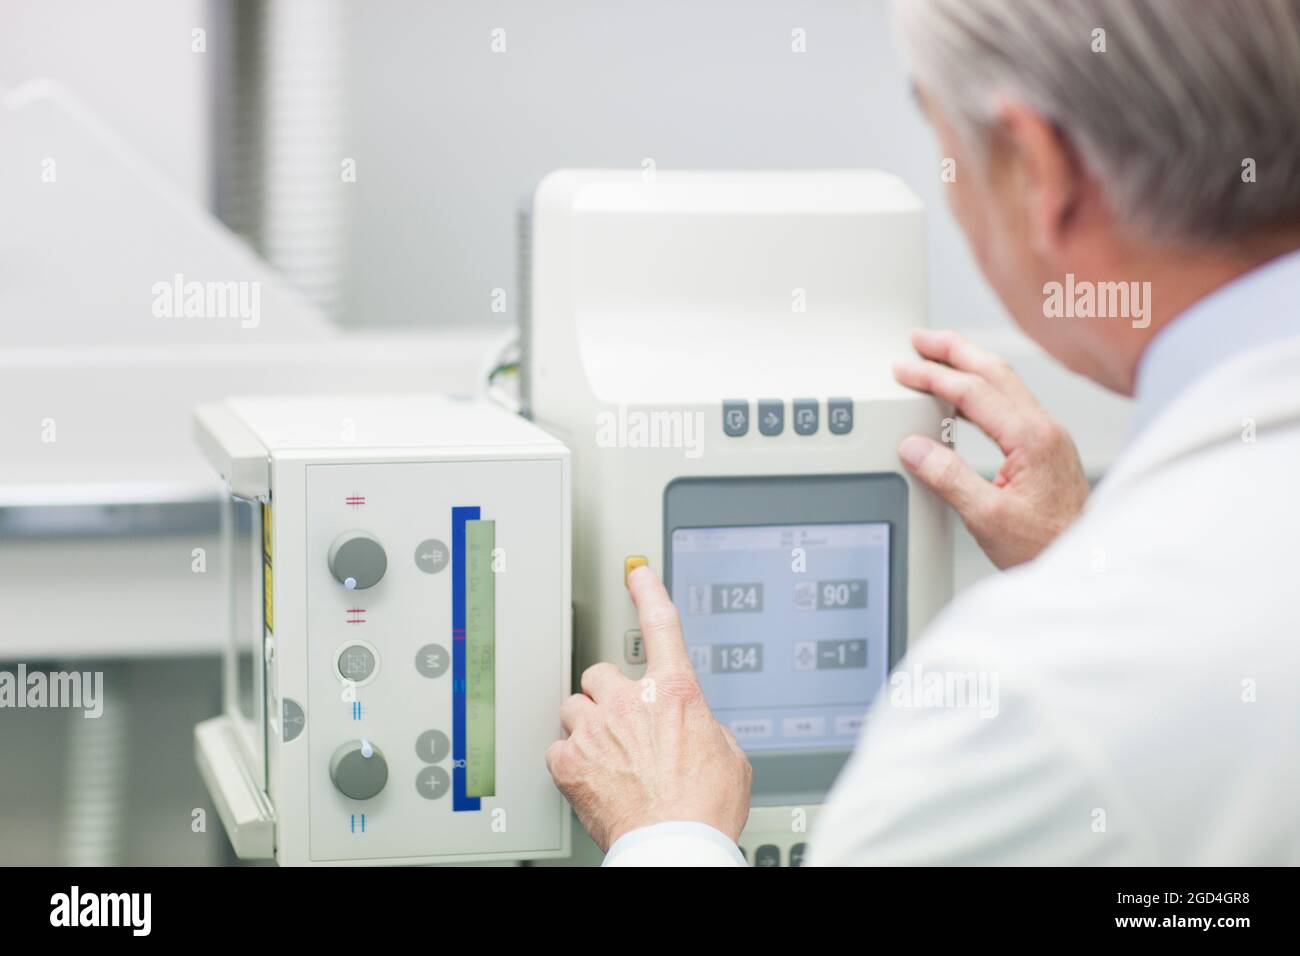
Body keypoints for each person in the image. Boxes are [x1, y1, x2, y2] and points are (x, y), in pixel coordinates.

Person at [545, 0, 1300, 865]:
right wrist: (1086, 560)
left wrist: (668, 832)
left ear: (1036, 170)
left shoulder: (1023, 706)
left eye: (950, 152)